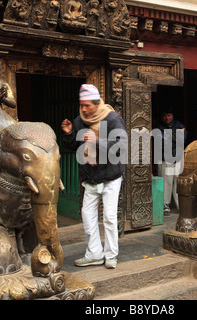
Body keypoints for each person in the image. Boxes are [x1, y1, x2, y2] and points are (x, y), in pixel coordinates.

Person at [61, 84, 127, 269]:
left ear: (97, 104)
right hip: (90, 176)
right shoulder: (79, 121)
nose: (84, 109)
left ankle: (111, 255)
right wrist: (68, 134)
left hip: (111, 175)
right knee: (87, 214)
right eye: (81, 105)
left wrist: (97, 141)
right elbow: (75, 146)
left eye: (87, 105)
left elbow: (121, 145)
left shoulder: (112, 118)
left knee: (109, 216)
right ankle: (94, 254)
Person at [154, 108, 186, 216]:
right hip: (164, 158)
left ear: (173, 116)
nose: (167, 118)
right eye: (164, 115)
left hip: (177, 158)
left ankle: (180, 206)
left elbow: (182, 140)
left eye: (169, 115)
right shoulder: (158, 127)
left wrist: (168, 137)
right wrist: (174, 139)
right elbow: (160, 143)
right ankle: (165, 207)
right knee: (165, 182)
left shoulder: (179, 125)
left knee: (178, 182)